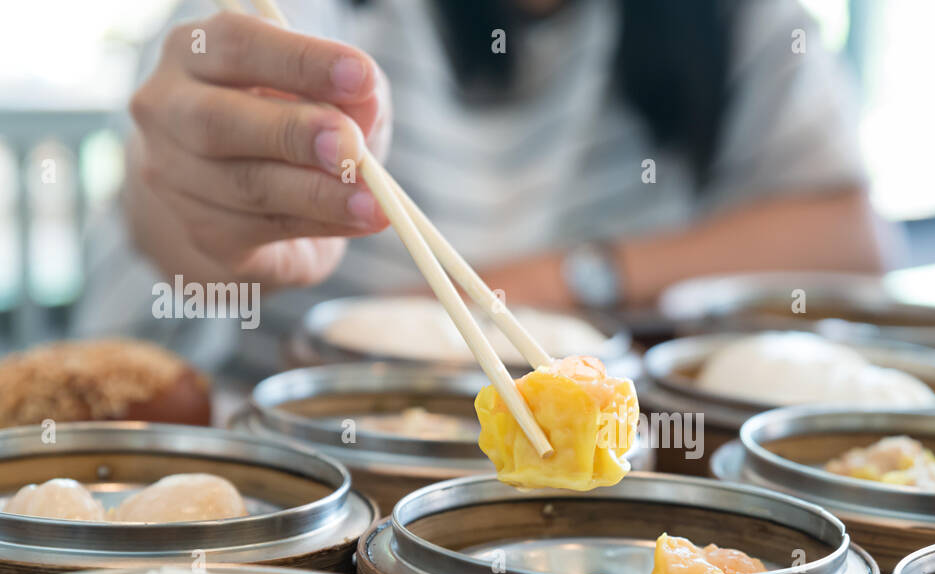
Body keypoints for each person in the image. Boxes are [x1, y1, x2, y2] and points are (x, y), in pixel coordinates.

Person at [78, 0, 887, 376]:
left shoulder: (734, 21)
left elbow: (850, 238)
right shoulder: (312, 13)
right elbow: (168, 193)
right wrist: (190, 204)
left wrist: (559, 280)